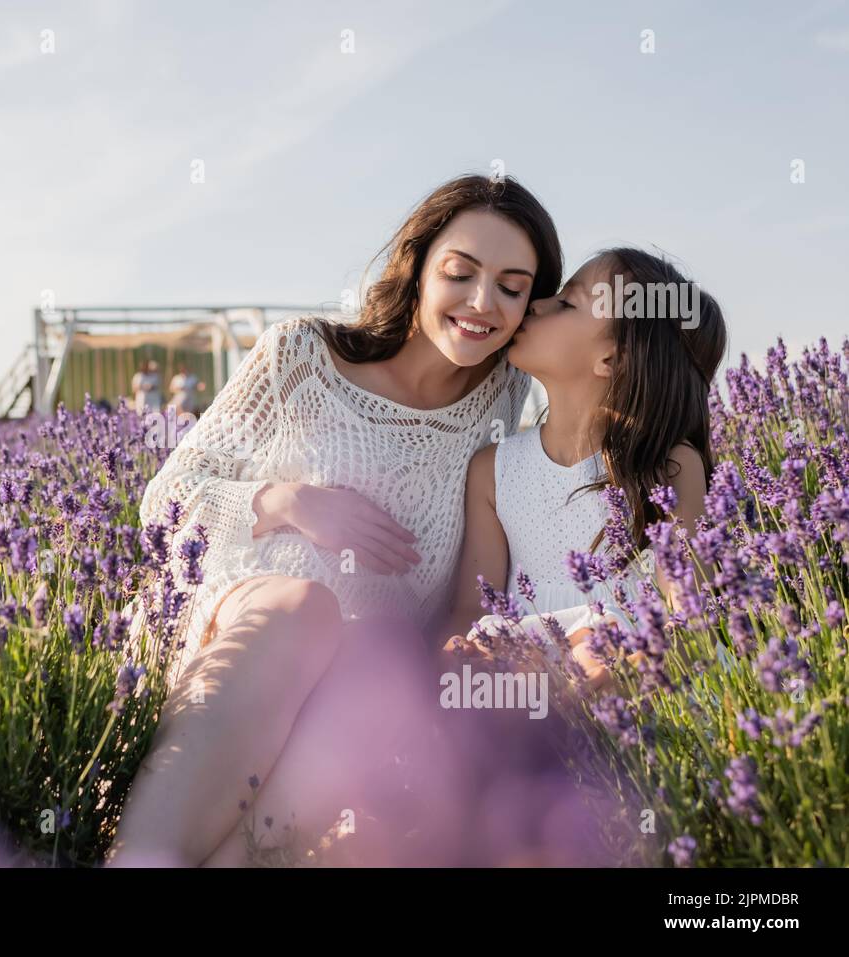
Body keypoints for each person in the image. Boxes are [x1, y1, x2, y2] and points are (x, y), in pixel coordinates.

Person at [108, 174, 562, 867]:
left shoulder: (507, 401)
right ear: (416, 269)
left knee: (377, 665)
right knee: (307, 606)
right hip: (246, 630)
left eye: (511, 284)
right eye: (460, 273)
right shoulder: (304, 356)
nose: (481, 302)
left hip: (361, 677)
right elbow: (166, 497)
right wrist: (286, 502)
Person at [441, 247, 727, 685]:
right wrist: (461, 653)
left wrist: (622, 674)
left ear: (611, 361)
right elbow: (473, 609)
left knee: (598, 639)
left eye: (566, 303)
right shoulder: (493, 468)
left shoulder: (666, 467)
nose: (536, 303)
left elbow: (687, 619)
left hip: (635, 682)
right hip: (526, 677)